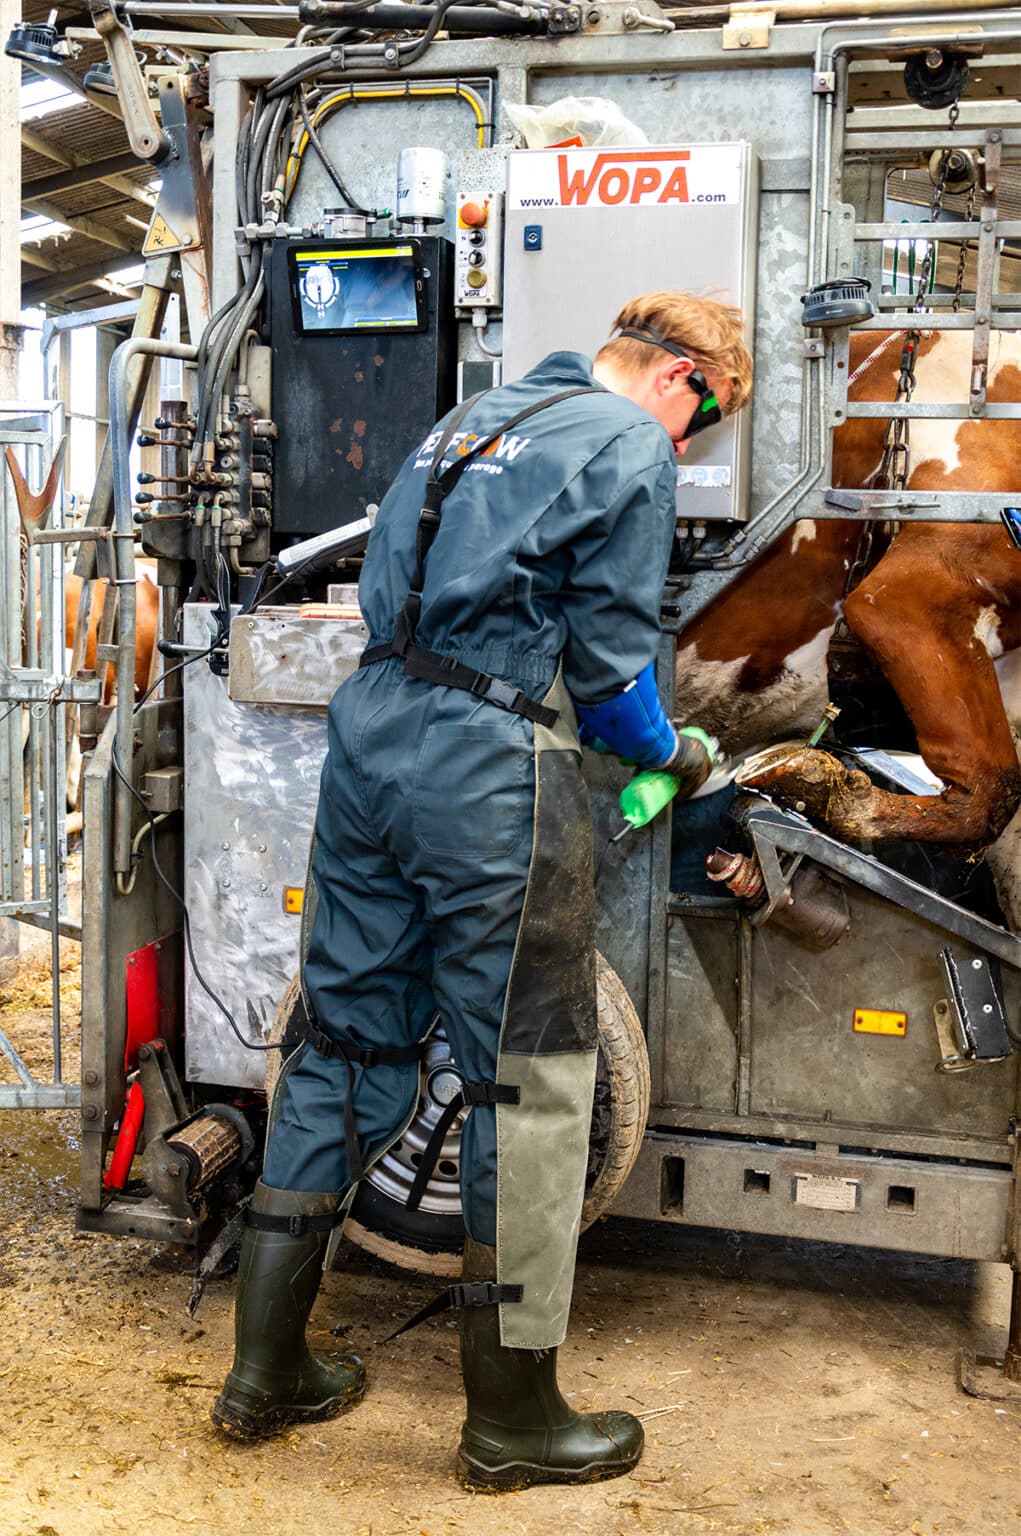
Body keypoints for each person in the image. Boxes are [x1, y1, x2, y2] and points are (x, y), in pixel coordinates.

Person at [212, 290, 753, 1490]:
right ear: (685, 378)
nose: (687, 450)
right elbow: (612, 669)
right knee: (531, 1078)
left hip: (371, 747)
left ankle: (264, 1373)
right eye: (700, 426)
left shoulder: (472, 419)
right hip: (488, 770)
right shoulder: (624, 443)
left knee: (344, 1044)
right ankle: (513, 1418)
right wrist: (675, 756)